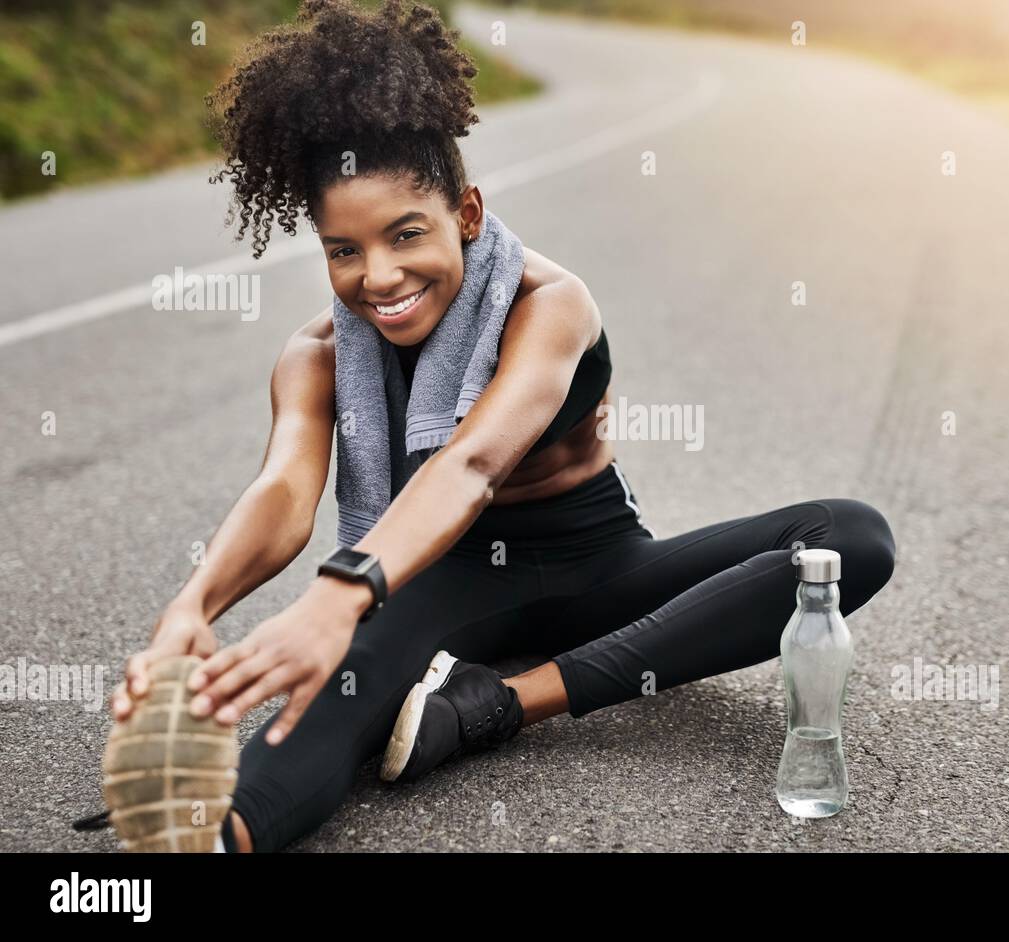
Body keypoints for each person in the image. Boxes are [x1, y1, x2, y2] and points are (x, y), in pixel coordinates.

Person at [108, 0, 896, 853]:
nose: (379, 276)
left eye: (406, 233)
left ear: (469, 214)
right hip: (440, 583)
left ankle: (500, 703)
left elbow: (475, 461)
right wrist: (192, 606)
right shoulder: (318, 353)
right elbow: (285, 492)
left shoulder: (549, 305)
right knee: (331, 694)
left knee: (850, 537)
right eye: (344, 249)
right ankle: (209, 842)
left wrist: (339, 596)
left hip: (602, 573)